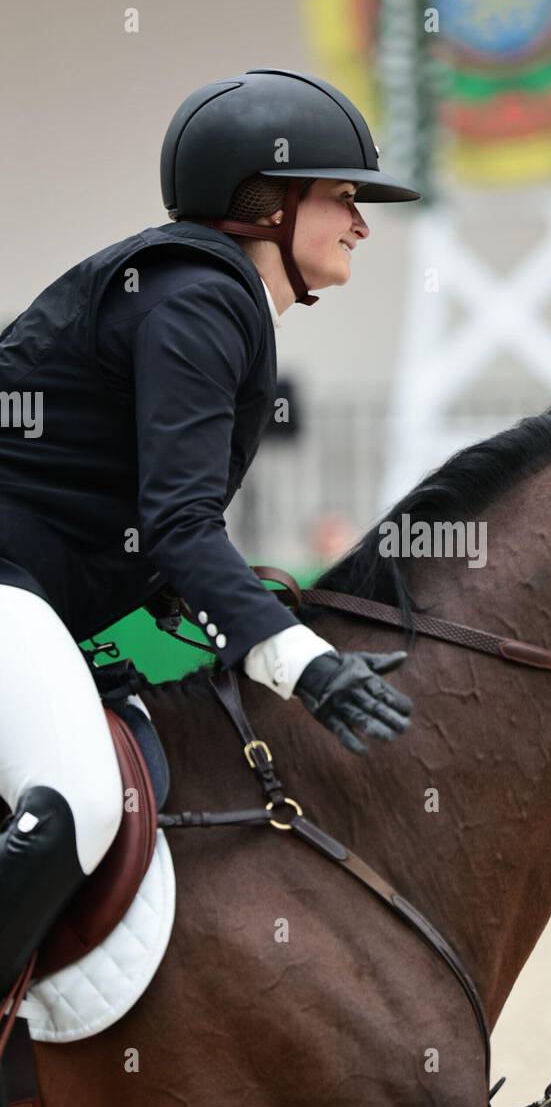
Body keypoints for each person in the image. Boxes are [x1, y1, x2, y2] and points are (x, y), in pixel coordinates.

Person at [0, 67, 420, 1006]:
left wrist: (259, 616)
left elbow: (149, 535)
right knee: (83, 796)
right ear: (266, 203)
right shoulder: (201, 298)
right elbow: (180, 526)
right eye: (343, 197)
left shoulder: (200, 291)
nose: (359, 223)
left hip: (39, 588)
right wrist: (306, 667)